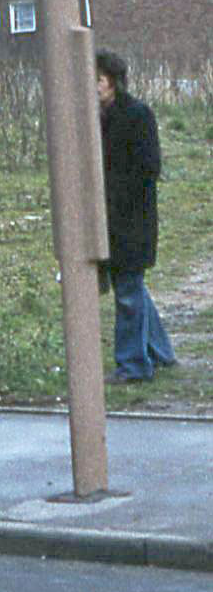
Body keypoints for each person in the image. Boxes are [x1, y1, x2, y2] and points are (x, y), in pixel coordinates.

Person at [97, 49, 176, 382]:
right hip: (107, 217)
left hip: (132, 218)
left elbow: (149, 167)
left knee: (128, 290)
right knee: (130, 285)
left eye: (99, 80)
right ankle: (161, 352)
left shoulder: (137, 115)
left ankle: (133, 365)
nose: (94, 86)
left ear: (113, 82)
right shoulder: (93, 117)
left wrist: (116, 195)